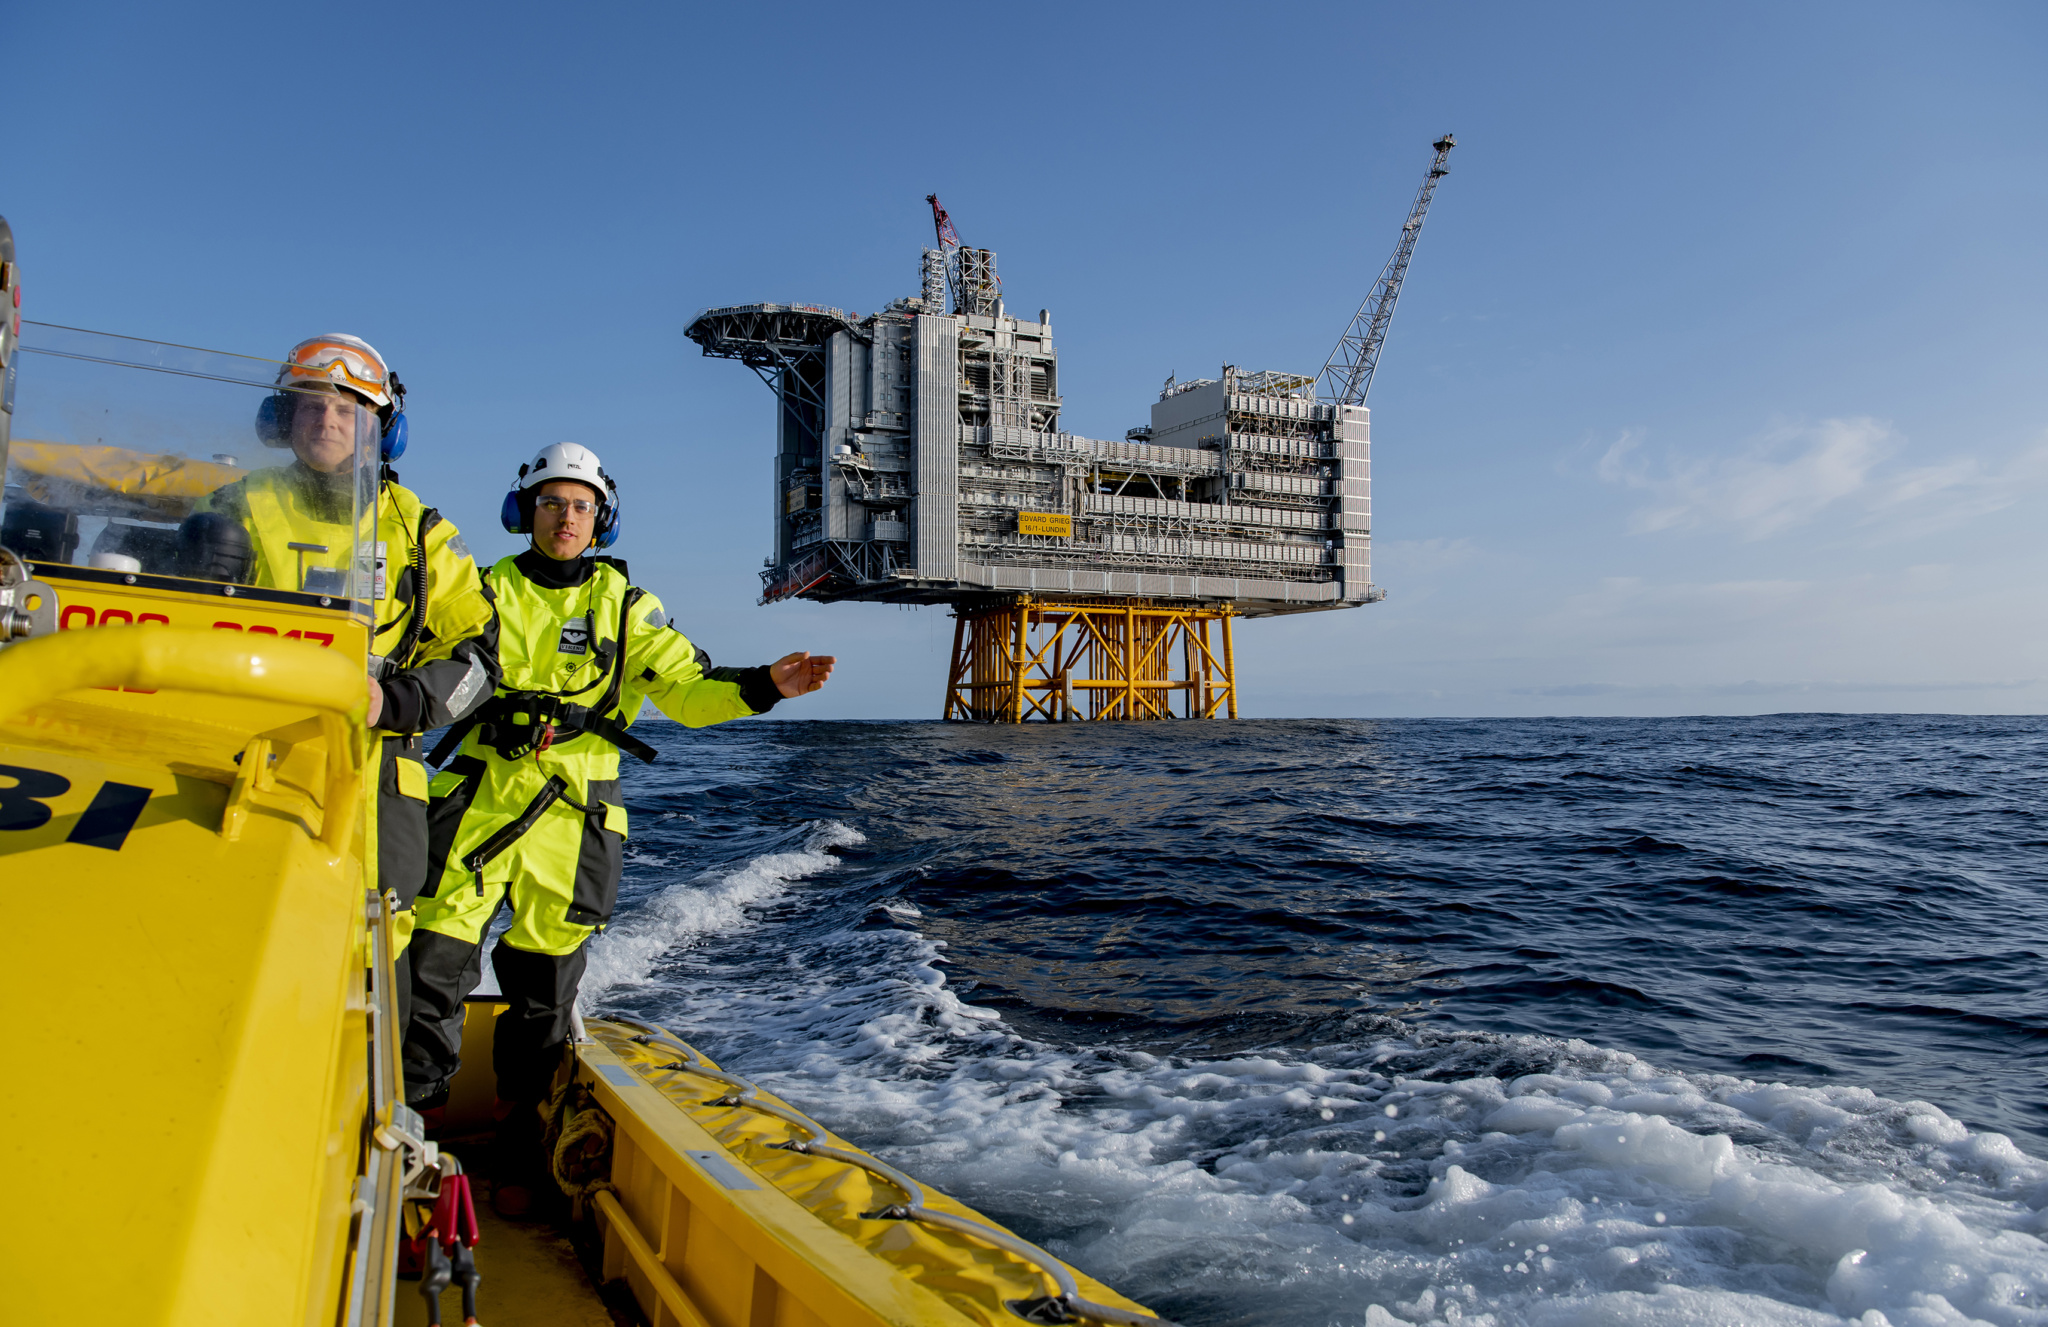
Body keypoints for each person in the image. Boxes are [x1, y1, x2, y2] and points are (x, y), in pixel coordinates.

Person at [403, 443, 832, 1183]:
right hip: (474, 806)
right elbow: (433, 669)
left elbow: (687, 692)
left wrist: (766, 684)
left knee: (544, 998)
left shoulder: (628, 607)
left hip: (574, 821)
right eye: (550, 502)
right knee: (427, 977)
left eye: (581, 505)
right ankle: (417, 1142)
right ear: (524, 512)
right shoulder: (480, 592)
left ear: (601, 519)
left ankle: (518, 1149)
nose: (565, 517)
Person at [199, 336, 497, 1017]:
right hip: (249, 756)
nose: (327, 420)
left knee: (378, 952)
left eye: (348, 408)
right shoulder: (233, 506)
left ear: (382, 428)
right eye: (311, 404)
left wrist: (394, 701)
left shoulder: (421, 534)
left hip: (378, 777)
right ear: (283, 419)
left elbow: (480, 658)